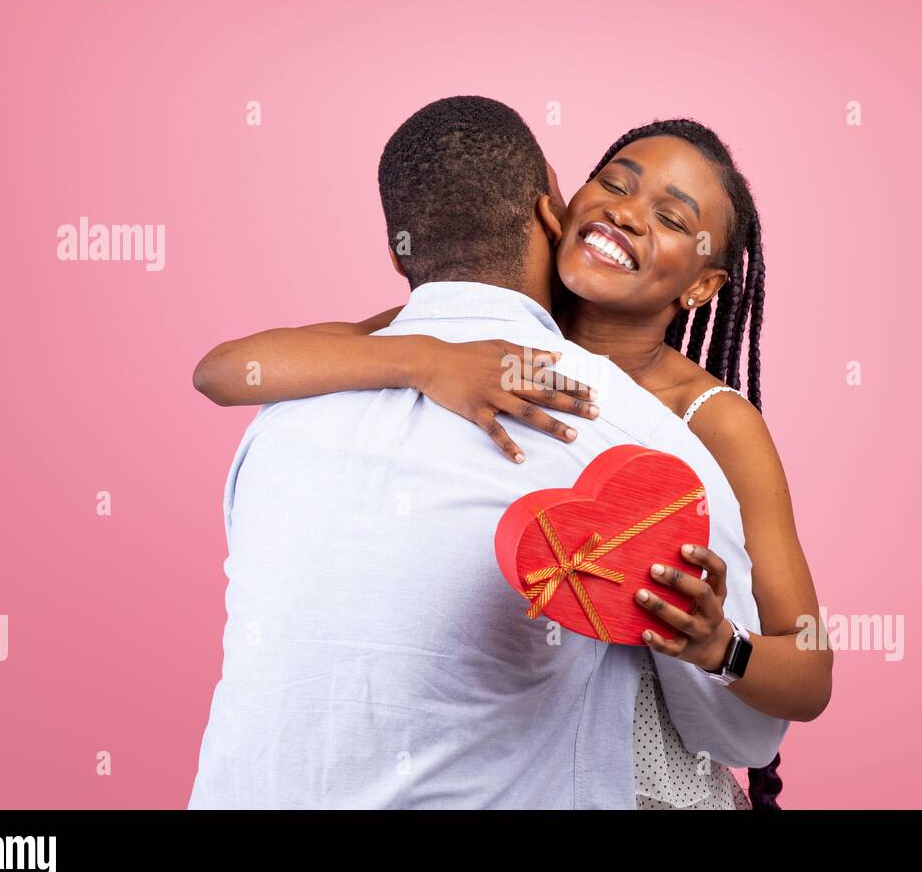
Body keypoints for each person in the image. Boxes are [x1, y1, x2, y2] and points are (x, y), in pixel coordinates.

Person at [187, 96, 791, 809]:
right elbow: (223, 367)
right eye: (616, 184)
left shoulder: (698, 428)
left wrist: (722, 647)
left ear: (703, 285)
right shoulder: (456, 353)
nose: (629, 213)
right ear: (555, 210)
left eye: (671, 217)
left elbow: (790, 671)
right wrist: (427, 362)